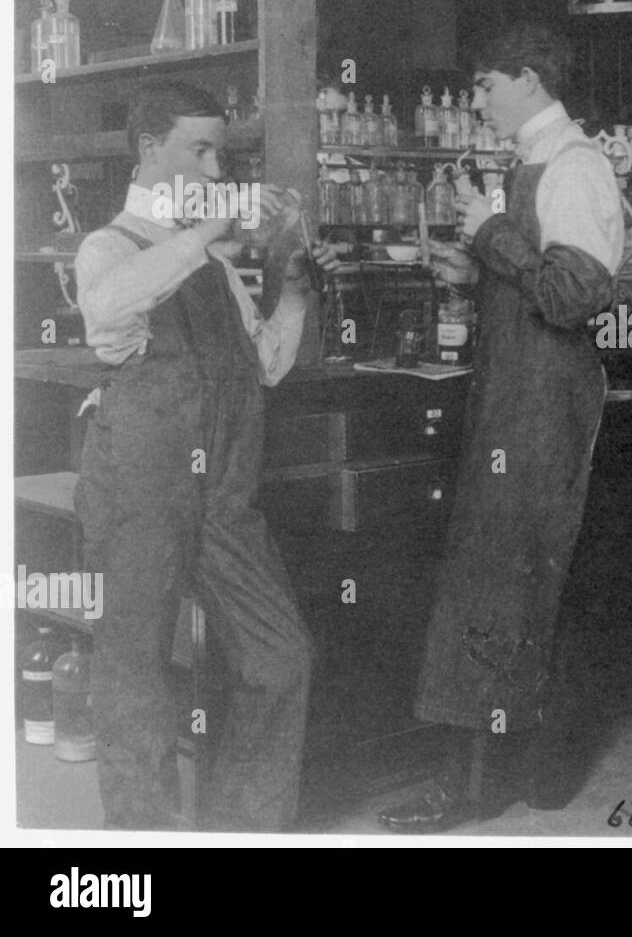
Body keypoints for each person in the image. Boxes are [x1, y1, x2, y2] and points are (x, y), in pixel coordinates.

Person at [74, 80, 339, 831]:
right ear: (149, 149)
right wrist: (198, 239)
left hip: (222, 498)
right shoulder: (111, 246)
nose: (217, 172)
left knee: (280, 657)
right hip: (141, 494)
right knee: (134, 680)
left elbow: (263, 366)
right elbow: (105, 315)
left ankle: (243, 832)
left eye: (220, 154)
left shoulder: (216, 268)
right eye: (200, 150)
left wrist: (291, 298)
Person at [378, 24, 624, 833]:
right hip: (514, 397)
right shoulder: (531, 164)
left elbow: (572, 296)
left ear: (527, 78)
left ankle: (479, 785)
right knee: (496, 580)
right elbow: (536, 280)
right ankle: (510, 772)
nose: (476, 101)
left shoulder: (577, 167)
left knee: (502, 580)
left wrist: (491, 234)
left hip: (544, 404)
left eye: (485, 85)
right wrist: (478, 268)